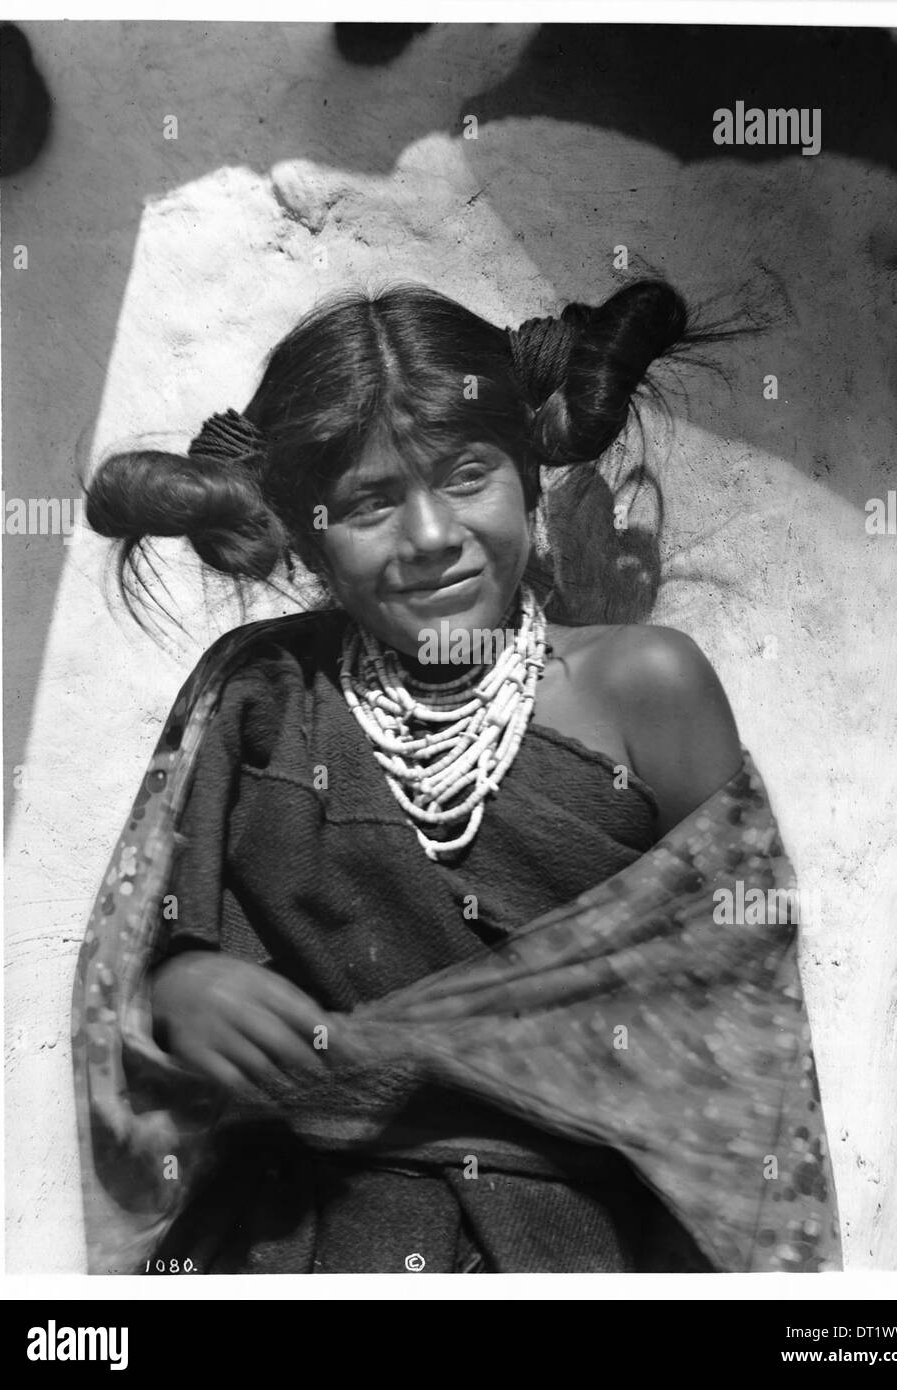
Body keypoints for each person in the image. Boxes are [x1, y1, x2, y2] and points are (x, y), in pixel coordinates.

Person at [75, 279, 841, 1274]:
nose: (430, 535)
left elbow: (737, 1045)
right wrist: (175, 988)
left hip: (560, 1254)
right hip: (284, 1248)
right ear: (307, 538)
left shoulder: (644, 689)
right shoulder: (260, 693)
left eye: (466, 475)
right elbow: (132, 957)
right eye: (369, 502)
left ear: (528, 477)